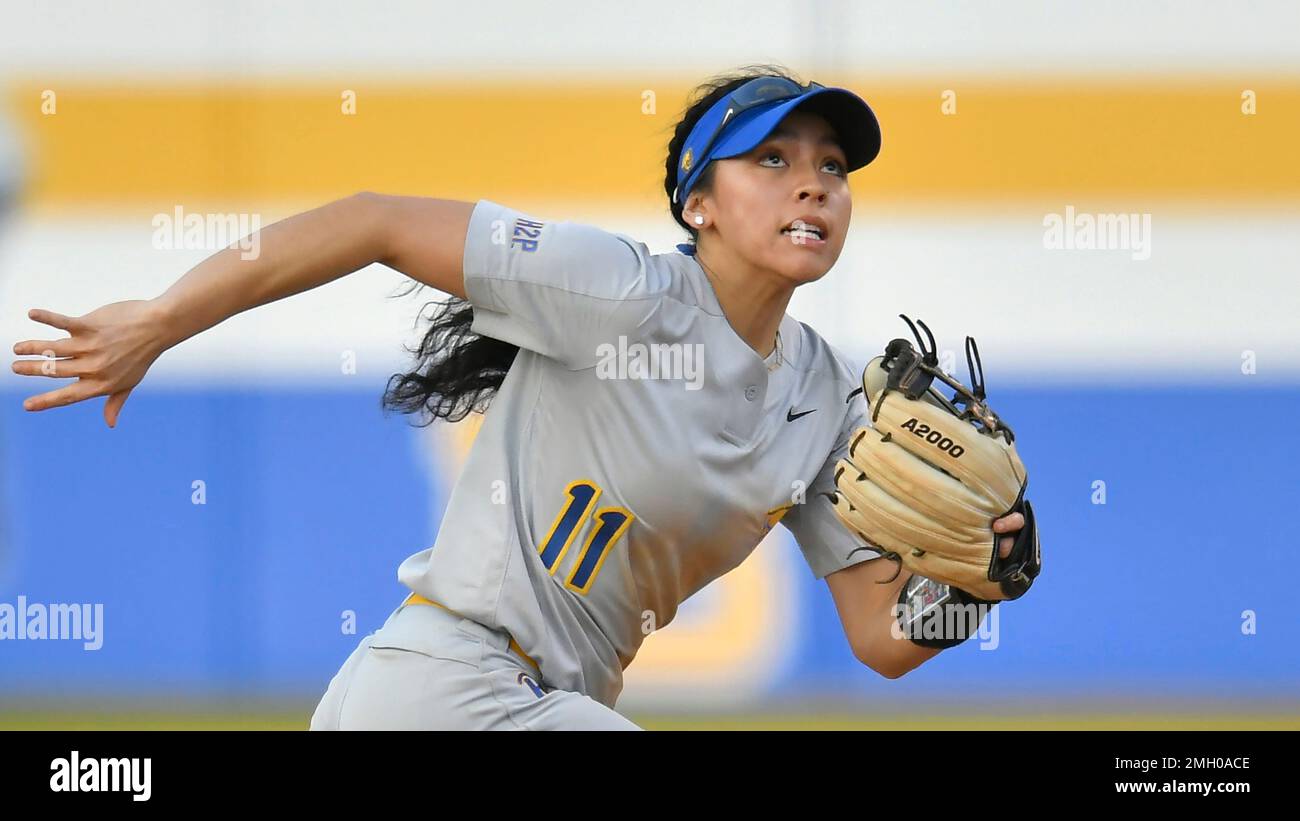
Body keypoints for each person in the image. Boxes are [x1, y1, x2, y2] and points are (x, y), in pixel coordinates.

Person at [10, 65, 1026, 730]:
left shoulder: (822, 397)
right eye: (771, 158)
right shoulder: (618, 290)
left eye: (832, 167)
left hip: (547, 706)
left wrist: (982, 585)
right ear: (697, 203)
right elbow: (371, 218)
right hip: (436, 688)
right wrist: (160, 317)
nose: (813, 184)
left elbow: (880, 637)